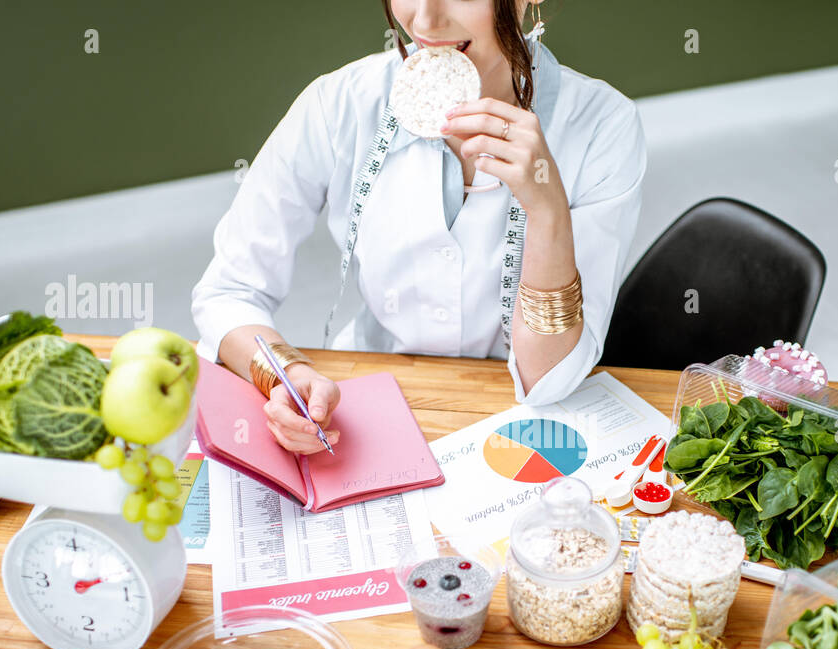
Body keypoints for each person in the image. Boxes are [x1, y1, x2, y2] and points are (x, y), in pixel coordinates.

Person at [192, 0, 646, 453]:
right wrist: (288, 375)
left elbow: (550, 380)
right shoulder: (340, 103)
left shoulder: (604, 127)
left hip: (518, 423)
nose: (425, 20)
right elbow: (229, 291)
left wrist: (547, 210)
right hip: (363, 403)